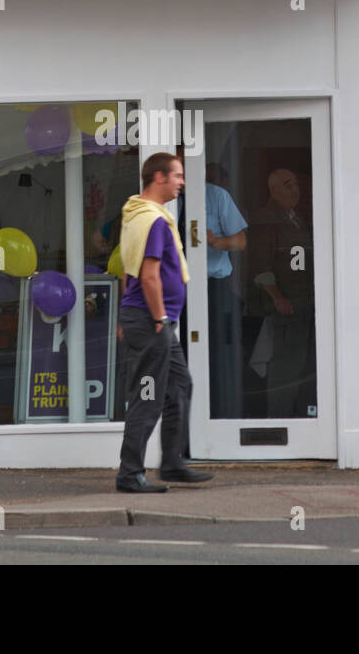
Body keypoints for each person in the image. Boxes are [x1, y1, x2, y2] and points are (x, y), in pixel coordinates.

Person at [114, 152, 213, 493]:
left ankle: (171, 462)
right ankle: (129, 475)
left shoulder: (138, 215)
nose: (182, 182)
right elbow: (148, 276)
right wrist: (158, 319)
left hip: (152, 320)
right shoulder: (152, 220)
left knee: (180, 385)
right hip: (153, 320)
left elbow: (126, 271)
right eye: (177, 176)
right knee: (148, 396)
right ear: (158, 177)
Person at [250, 168, 316, 418]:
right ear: (273, 190)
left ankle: (298, 417)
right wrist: (277, 296)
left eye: (296, 184)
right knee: (285, 367)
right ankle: (279, 418)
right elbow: (260, 264)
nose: (295, 190)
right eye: (288, 185)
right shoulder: (266, 219)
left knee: (301, 366)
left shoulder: (294, 217)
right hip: (287, 307)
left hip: (304, 302)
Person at [205, 164, 247, 418]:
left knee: (216, 354)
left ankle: (219, 417)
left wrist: (215, 242)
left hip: (213, 289)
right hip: (173, 287)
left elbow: (240, 241)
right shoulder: (163, 200)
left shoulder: (216, 196)